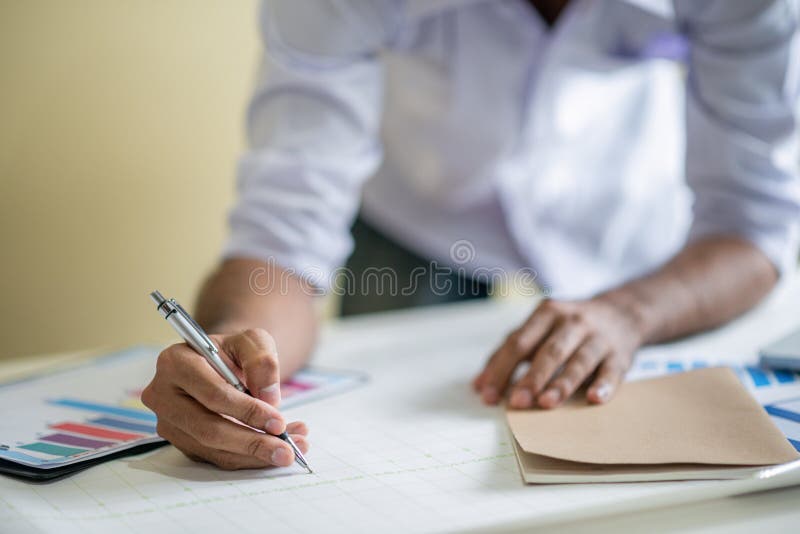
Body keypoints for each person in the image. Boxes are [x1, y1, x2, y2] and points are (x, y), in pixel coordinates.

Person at [141, 0, 800, 469]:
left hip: (626, 232)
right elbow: (282, 243)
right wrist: (229, 361)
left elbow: (754, 222)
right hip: (417, 221)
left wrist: (632, 311)